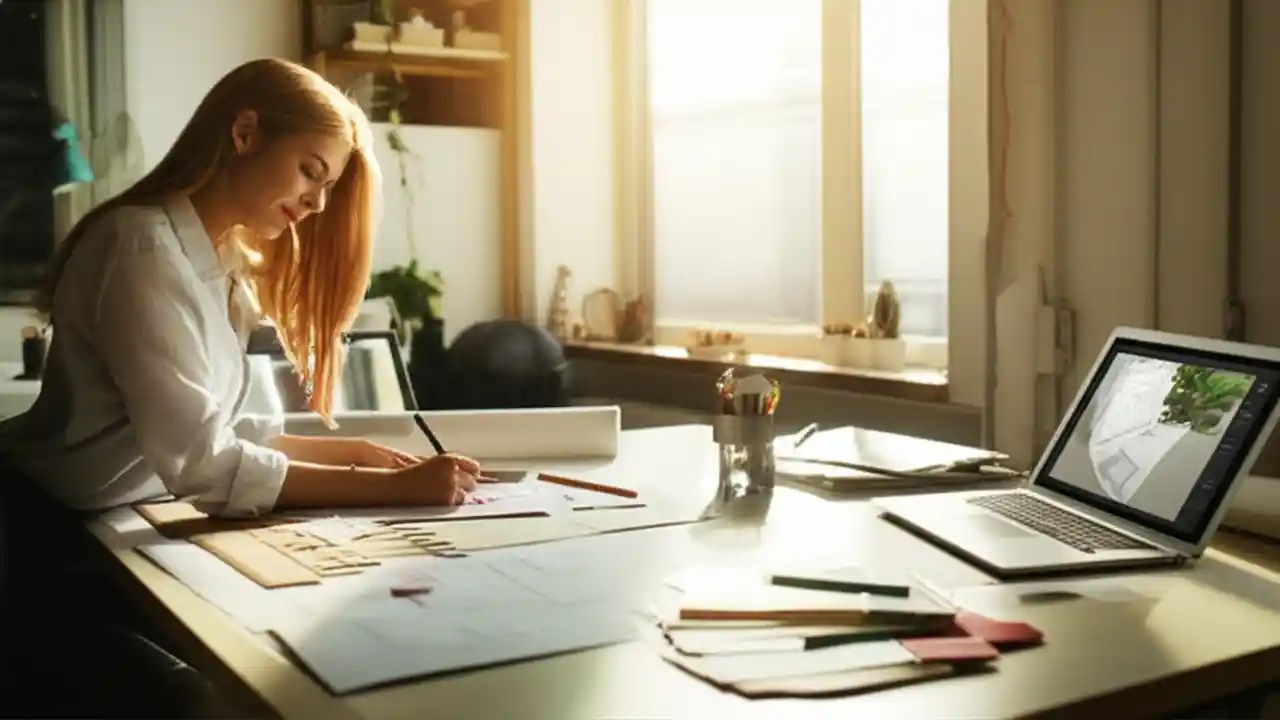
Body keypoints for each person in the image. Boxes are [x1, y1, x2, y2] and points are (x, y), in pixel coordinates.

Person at [0, 58, 483, 519]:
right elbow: (204, 465)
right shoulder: (140, 247)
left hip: (116, 513)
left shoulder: (224, 265)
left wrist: (355, 454)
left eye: (328, 186)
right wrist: (395, 489)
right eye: (311, 172)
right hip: (41, 525)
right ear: (245, 133)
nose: (317, 202)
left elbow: (221, 430)